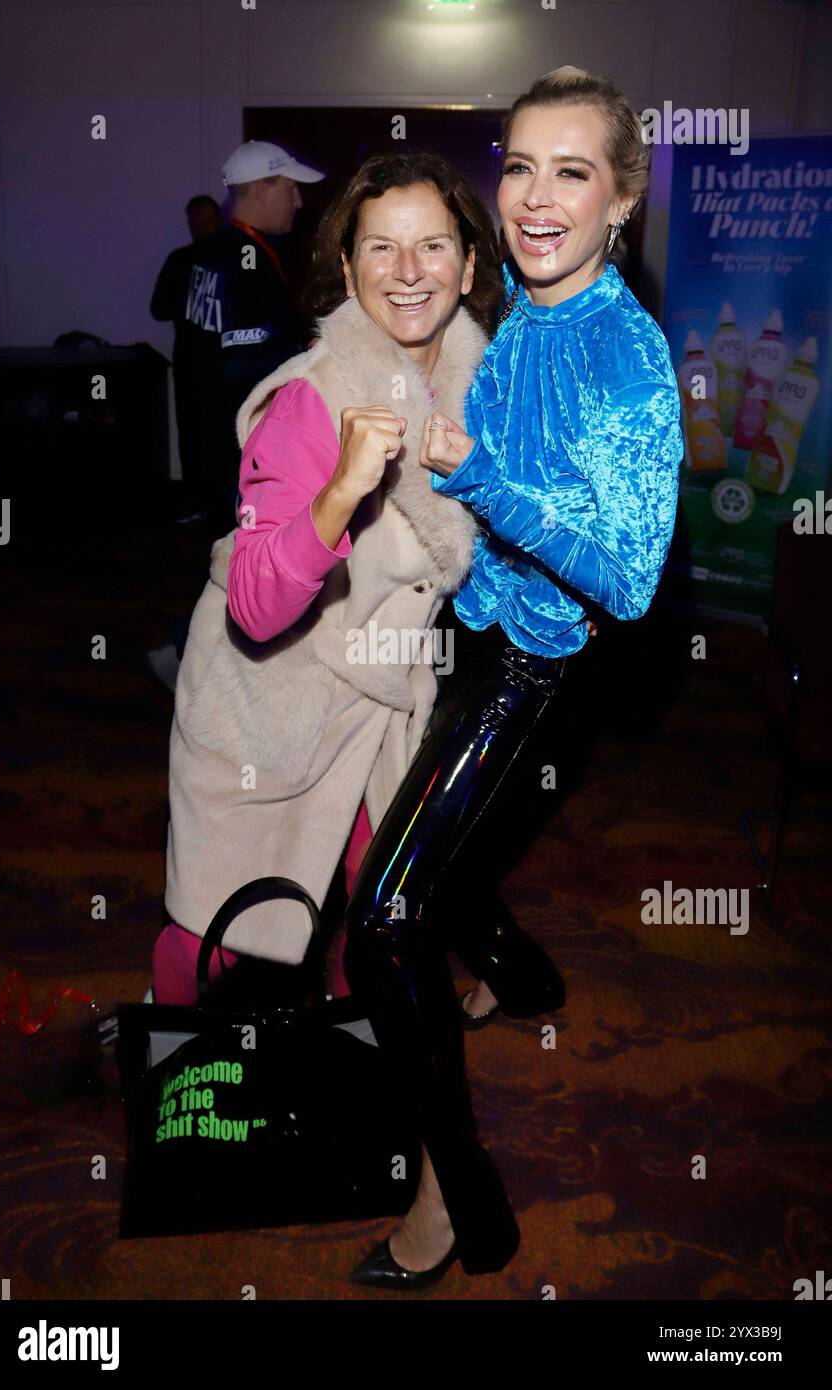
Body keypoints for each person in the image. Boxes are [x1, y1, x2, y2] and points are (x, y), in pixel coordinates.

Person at [341, 65, 685, 1290]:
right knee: (454, 861)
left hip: (541, 670)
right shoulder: (536, 307)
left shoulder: (627, 356)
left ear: (622, 199)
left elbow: (632, 578)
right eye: (522, 165)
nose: (536, 197)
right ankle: (525, 978)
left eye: (572, 171)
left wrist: (480, 480)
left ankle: (461, 1209)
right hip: (485, 636)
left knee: (384, 915)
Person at [153, 154, 505, 1054]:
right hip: (269, 701)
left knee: (381, 925)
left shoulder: (485, 390)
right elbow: (257, 609)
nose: (409, 268)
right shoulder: (310, 402)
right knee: (216, 936)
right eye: (380, 248)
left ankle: (363, 1091)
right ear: (348, 272)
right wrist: (342, 493)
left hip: (386, 705)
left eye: (433, 244)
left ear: (469, 266)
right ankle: (184, 1098)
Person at [182, 140, 325, 528]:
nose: (298, 201)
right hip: (239, 439)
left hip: (213, 431)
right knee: (245, 556)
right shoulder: (246, 260)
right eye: (290, 189)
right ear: (263, 189)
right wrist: (307, 352)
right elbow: (241, 364)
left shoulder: (212, 250)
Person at [150, 195, 222, 525]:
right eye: (195, 222)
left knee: (218, 433)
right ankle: (199, 501)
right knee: (193, 433)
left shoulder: (230, 258)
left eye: (206, 221)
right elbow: (158, 309)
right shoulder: (180, 260)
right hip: (193, 362)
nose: (200, 228)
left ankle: (219, 502)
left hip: (222, 363)